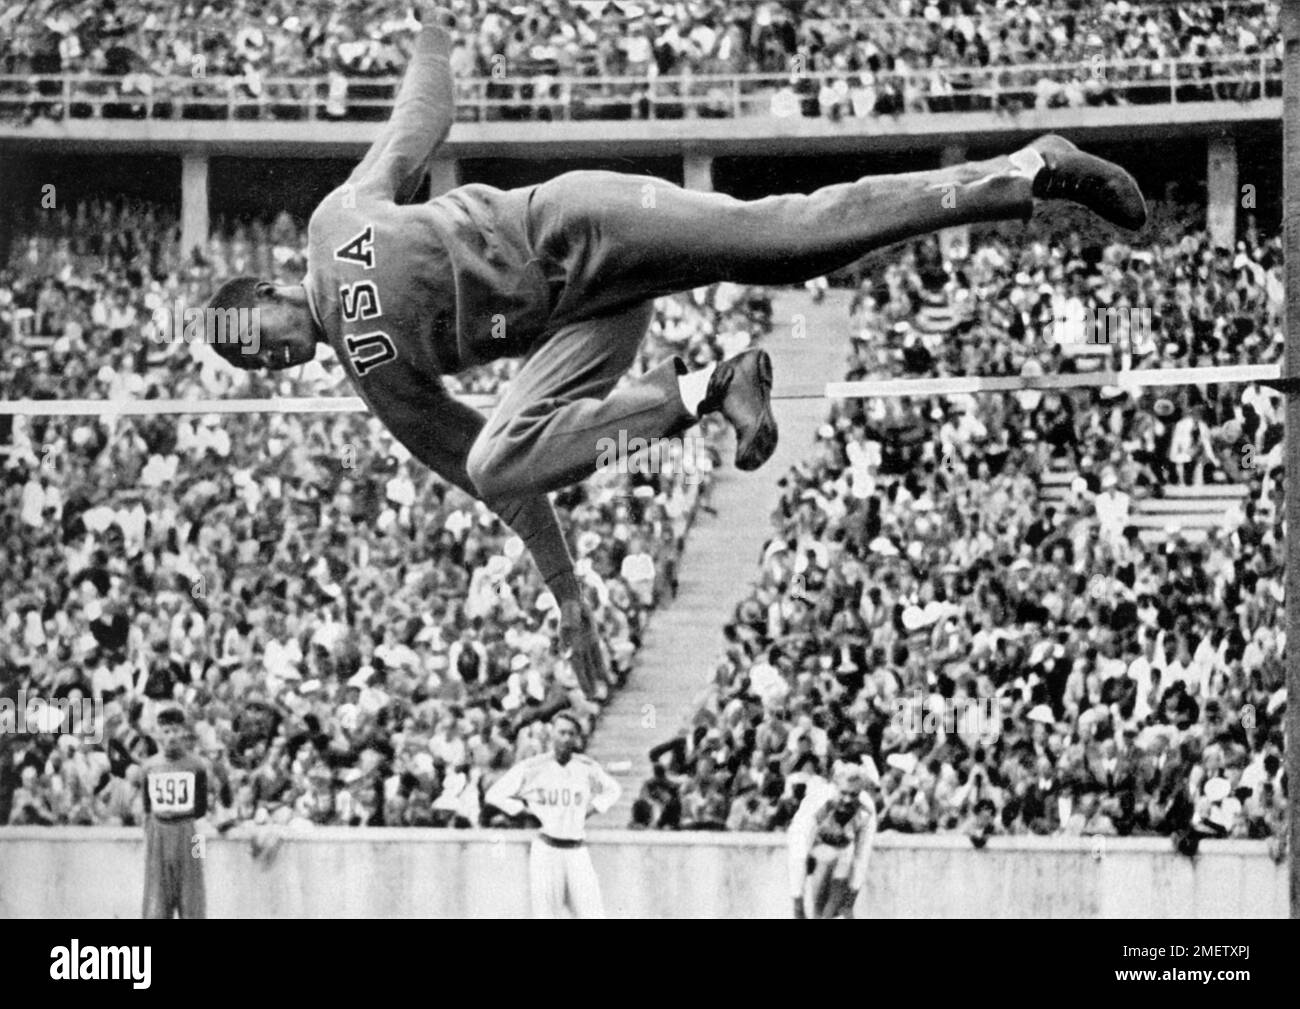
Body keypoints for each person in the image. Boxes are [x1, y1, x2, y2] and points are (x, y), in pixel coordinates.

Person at [204, 5, 1146, 696]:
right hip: (583, 328)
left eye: (261, 339)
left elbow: (417, 125)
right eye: (258, 366)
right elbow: (504, 483)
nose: (275, 360)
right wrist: (569, 599)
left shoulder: (337, 221)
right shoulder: (383, 386)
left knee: (791, 241)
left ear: (274, 292)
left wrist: (435, 32)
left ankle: (1028, 169)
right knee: (494, 459)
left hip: (577, 227)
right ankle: (710, 387)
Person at [484, 711, 621, 918]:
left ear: (576, 738)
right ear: (552, 735)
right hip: (547, 848)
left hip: (576, 848)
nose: (566, 738)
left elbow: (614, 790)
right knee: (546, 913)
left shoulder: (586, 767)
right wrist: (523, 812)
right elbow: (494, 794)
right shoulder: (533, 767)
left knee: (593, 912)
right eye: (561, 732)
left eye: (571, 734)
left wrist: (592, 808)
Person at [141, 706, 210, 919]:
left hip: (189, 830)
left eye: (176, 731)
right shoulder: (150, 767)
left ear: (184, 732)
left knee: (192, 895)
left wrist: (199, 851)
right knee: (156, 897)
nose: (172, 737)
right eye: (167, 731)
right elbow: (147, 807)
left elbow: (201, 811)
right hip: (159, 831)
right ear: (159, 734)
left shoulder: (196, 765)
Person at [787, 761, 878, 919]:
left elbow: (862, 855)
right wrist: (798, 905)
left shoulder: (866, 809)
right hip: (812, 845)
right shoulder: (818, 802)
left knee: (835, 911)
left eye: (854, 794)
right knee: (816, 903)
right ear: (835, 786)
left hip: (842, 849)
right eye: (843, 793)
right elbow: (798, 851)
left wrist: (850, 901)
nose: (848, 799)